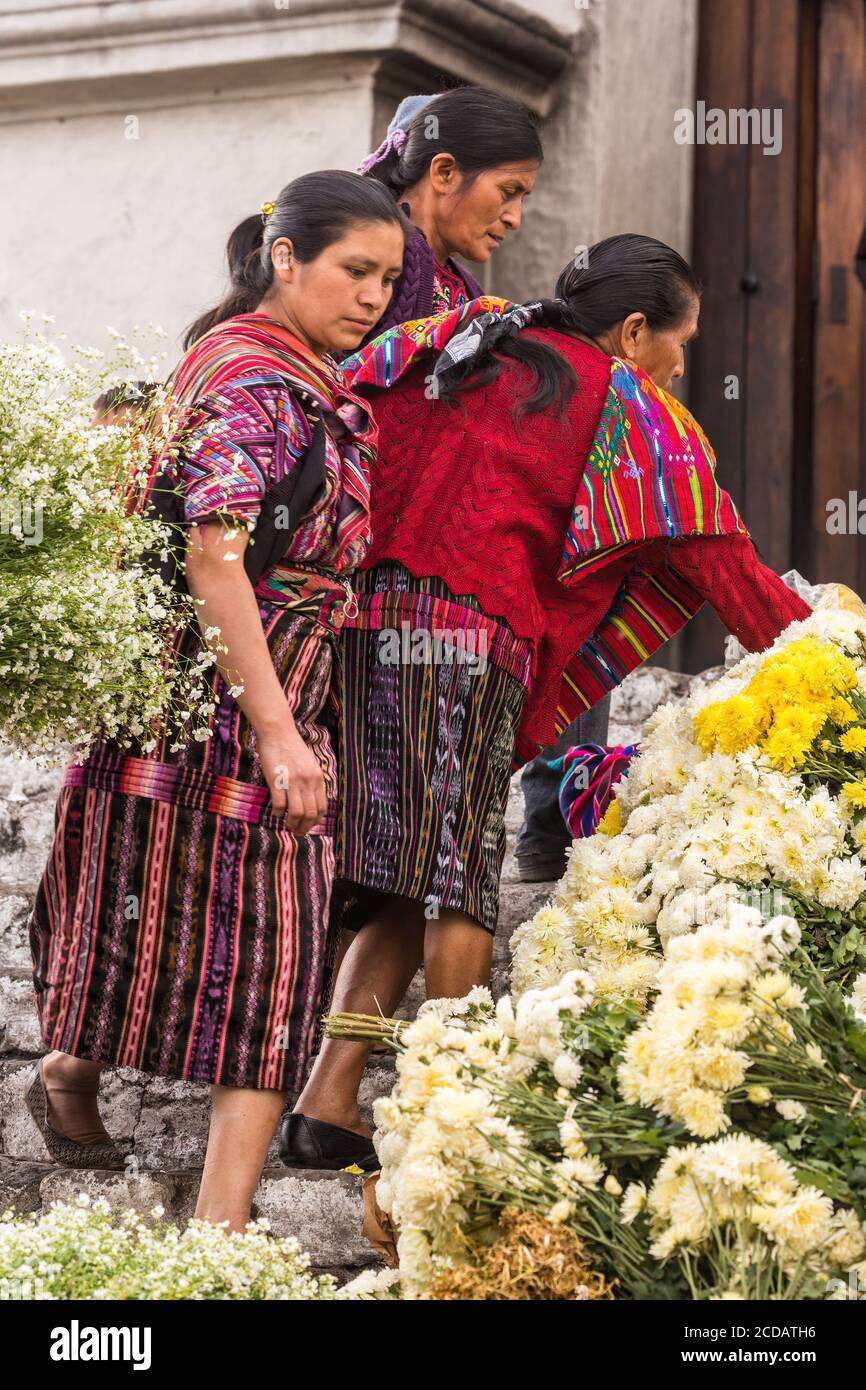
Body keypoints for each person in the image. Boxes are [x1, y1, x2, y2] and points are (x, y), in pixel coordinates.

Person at [283, 233, 813, 1171]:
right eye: (679, 343)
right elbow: (718, 555)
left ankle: (329, 1104)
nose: (681, 366)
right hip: (462, 639)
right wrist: (822, 659)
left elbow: (341, 417)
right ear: (636, 328)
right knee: (458, 879)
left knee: (404, 870)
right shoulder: (632, 410)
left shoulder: (457, 338)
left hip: (354, 625)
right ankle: (449, 1114)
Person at [27, 170, 407, 1231]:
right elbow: (212, 553)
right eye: (352, 270)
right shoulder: (249, 381)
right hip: (220, 693)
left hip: (256, 685)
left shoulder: (313, 386)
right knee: (249, 931)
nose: (373, 294)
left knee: (238, 933)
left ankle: (189, 1201)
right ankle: (215, 1229)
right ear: (283, 257)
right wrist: (282, 731)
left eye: (387, 276)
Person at [357, 85, 610, 882]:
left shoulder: (458, 291)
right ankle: (552, 823)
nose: (515, 218)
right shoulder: (382, 260)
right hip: (383, 554)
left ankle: (554, 819)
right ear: (439, 170)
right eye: (508, 193)